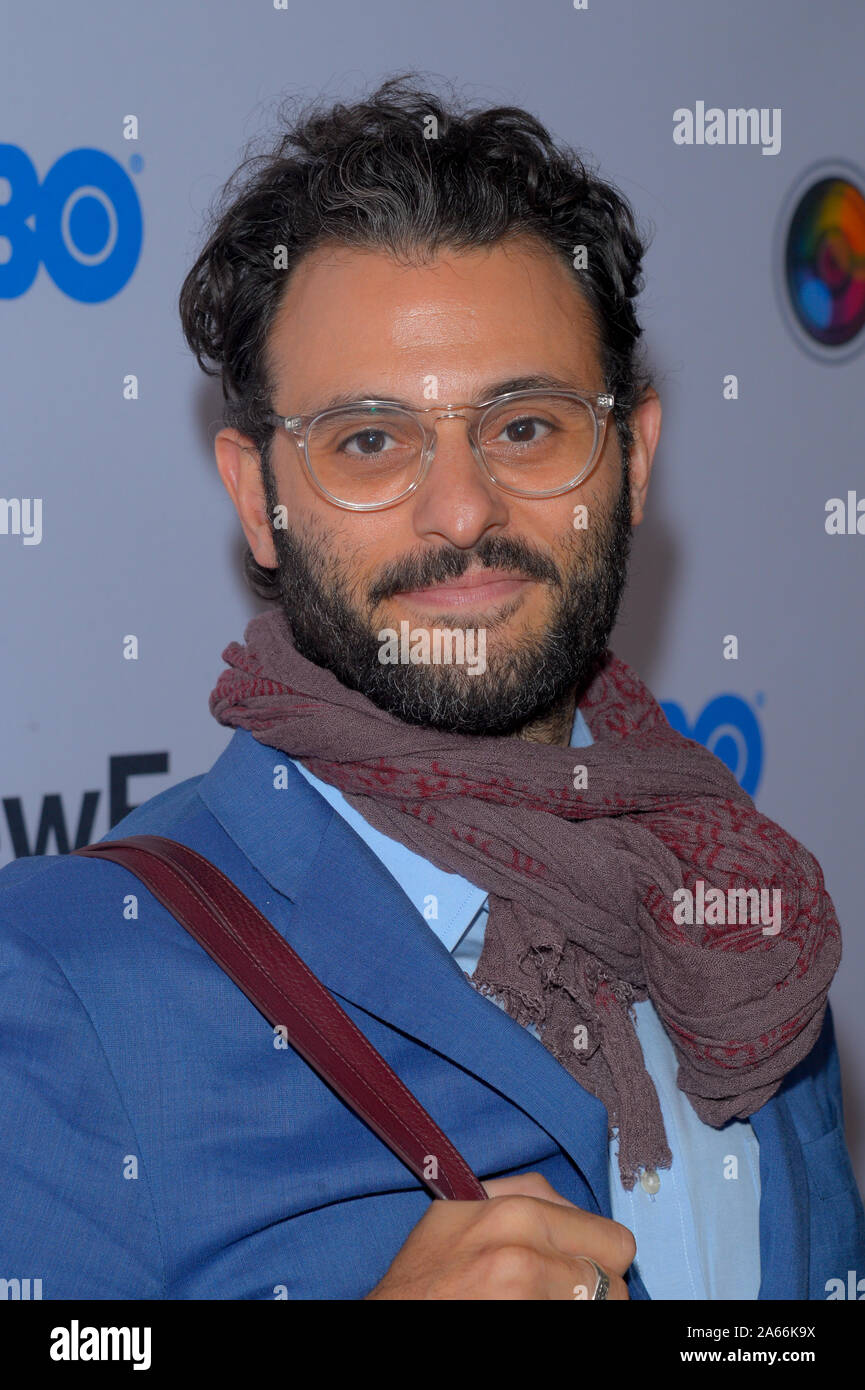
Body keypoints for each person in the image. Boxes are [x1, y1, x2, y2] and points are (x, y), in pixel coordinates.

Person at [1, 74, 862, 1302]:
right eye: (368, 441)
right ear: (258, 497)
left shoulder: (736, 912)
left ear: (630, 458)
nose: (461, 510)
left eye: (525, 427)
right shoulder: (62, 977)